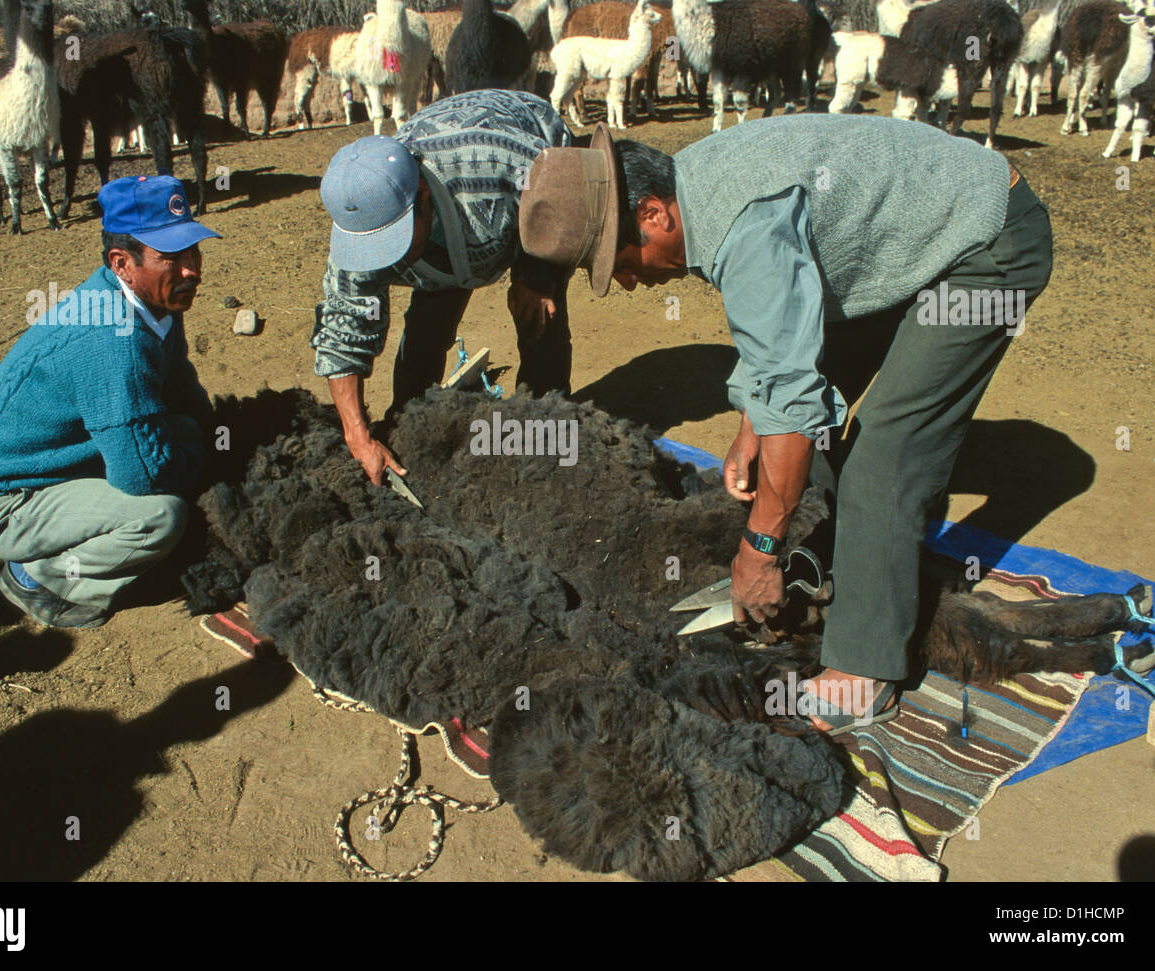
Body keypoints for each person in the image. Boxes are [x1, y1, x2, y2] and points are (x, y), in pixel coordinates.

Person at [519, 114, 1054, 733]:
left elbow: (793, 397)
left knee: (888, 450)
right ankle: (826, 566)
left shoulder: (746, 227)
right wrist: (753, 421)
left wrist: (758, 548)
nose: (631, 283)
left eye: (620, 261)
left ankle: (865, 666)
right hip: (900, 243)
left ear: (654, 214)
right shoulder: (696, 185)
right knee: (801, 418)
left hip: (988, 242)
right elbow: (783, 335)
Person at [0, 174, 220, 629]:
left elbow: (181, 389)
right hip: (4, 500)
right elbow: (142, 476)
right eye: (171, 257)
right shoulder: (111, 341)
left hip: (59, 460)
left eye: (193, 250)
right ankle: (36, 577)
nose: (192, 268)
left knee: (191, 432)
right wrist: (210, 482)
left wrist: (215, 444)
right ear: (122, 262)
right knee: (159, 515)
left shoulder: (155, 303)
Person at [312, 89, 577, 485]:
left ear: (421, 196)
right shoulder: (361, 219)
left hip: (527, 185)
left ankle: (545, 424)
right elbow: (342, 333)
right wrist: (358, 435)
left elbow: (561, 188)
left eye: (392, 240)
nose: (382, 259)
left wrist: (537, 272)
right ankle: (411, 422)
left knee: (539, 313)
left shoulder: (497, 161)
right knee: (426, 327)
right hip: (450, 237)